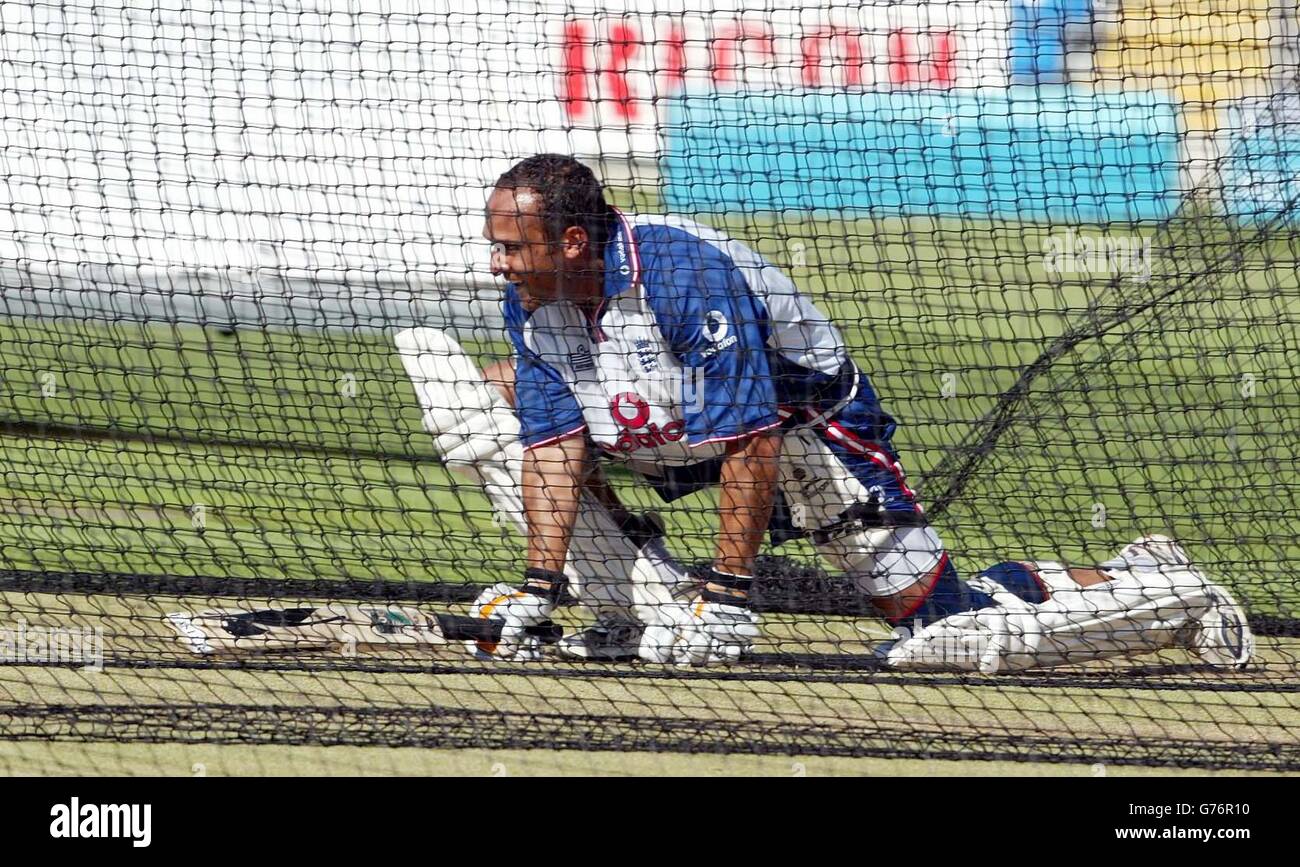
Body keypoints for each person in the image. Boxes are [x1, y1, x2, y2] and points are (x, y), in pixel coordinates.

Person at [395, 153, 1254, 671]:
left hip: (806, 430)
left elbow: (753, 431)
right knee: (493, 398)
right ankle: (619, 595)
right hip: (678, 424)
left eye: (510, 245)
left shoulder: (684, 276)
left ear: (573, 242)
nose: (498, 263)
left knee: (939, 628)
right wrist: (541, 587)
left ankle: (1173, 594)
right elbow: (553, 442)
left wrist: (730, 595)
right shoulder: (535, 292)